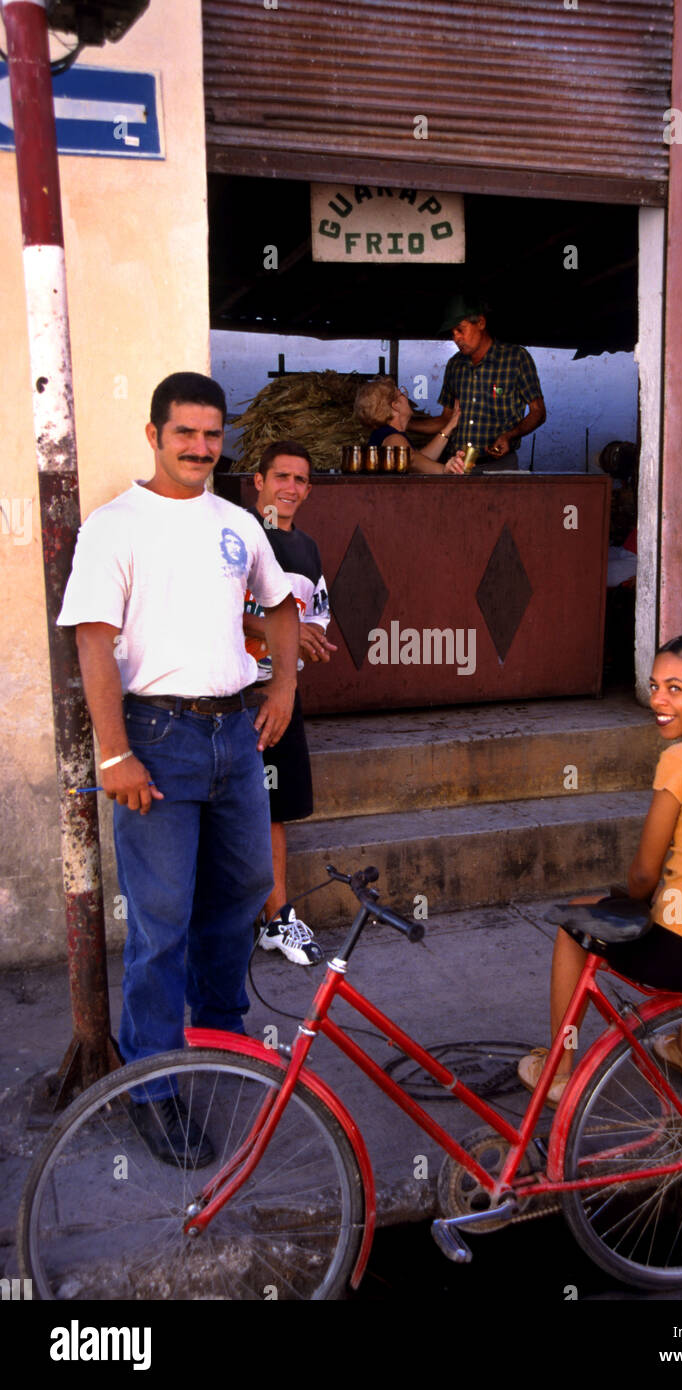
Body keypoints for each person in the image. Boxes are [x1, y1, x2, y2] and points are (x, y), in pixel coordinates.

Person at [57, 372, 300, 1164]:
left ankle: (222, 1035)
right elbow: (94, 640)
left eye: (212, 433)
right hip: (155, 738)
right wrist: (115, 752)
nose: (200, 447)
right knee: (160, 921)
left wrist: (286, 687)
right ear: (155, 434)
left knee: (239, 893)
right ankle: (153, 1084)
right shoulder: (115, 525)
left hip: (235, 732)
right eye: (185, 433)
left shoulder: (237, 522)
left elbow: (281, 605)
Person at [518, 632, 682, 1104]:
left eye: (675, 689)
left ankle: (558, 1070)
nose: (658, 700)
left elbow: (643, 875)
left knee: (574, 926)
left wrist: (630, 901)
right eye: (654, 686)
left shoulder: (681, 760)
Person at [243, 439, 336, 965]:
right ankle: (233, 919)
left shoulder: (306, 549)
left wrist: (309, 640)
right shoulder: (235, 536)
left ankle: (277, 920)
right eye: (281, 477)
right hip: (231, 694)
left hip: (281, 694)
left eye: (301, 479)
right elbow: (215, 609)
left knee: (275, 809)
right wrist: (285, 631)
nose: (291, 488)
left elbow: (316, 617)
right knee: (230, 812)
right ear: (258, 482)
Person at [414, 298, 546, 471]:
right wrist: (404, 422)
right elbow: (446, 420)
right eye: (452, 333)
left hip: (499, 466)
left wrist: (509, 436)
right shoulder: (455, 365)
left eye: (460, 330)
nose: (456, 338)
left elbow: (538, 412)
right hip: (457, 466)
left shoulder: (516, 358)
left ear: (481, 323)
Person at [353, 376, 466, 474]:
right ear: (395, 405)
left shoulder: (385, 434)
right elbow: (412, 459)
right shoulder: (393, 437)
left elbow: (423, 459)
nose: (407, 397)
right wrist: (444, 470)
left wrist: (451, 424)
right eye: (402, 394)